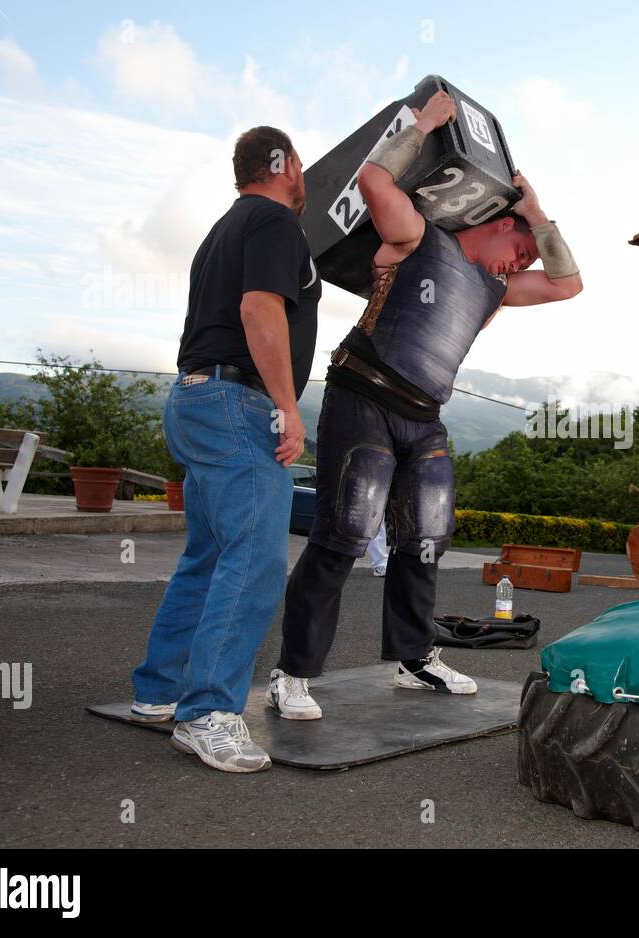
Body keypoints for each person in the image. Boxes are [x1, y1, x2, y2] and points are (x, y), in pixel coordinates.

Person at [267, 90, 582, 720]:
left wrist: (538, 212)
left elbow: (568, 283)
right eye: (520, 244)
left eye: (527, 252)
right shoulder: (418, 235)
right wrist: (423, 124)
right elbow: (376, 180)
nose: (525, 257)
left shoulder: (494, 290)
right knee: (342, 535)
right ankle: (292, 673)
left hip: (424, 418)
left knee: (426, 539)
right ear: (492, 223)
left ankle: (415, 659)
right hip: (365, 398)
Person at [130, 126, 320, 773]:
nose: (304, 174)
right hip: (237, 404)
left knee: (209, 555)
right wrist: (288, 407)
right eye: (300, 164)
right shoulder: (274, 221)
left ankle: (160, 690)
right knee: (259, 557)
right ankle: (207, 711)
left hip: (194, 399)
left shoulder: (223, 229)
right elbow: (258, 310)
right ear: (285, 164)